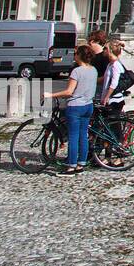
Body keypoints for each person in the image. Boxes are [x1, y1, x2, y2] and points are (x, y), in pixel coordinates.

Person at [45, 43, 97, 175]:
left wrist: (50, 95)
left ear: (80, 55)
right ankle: (81, 164)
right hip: (88, 105)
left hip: (75, 106)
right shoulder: (93, 70)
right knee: (83, 136)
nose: (74, 56)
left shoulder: (77, 71)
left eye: (76, 54)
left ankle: (71, 166)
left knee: (73, 137)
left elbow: (69, 91)